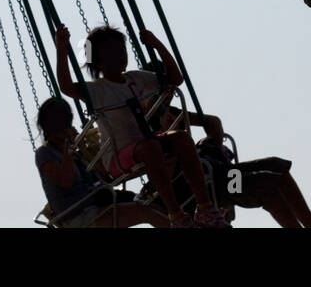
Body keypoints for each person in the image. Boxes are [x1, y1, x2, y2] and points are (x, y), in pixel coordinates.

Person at [54, 24, 228, 228]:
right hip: (119, 156)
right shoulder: (97, 91)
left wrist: (156, 44)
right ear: (98, 61)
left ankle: (205, 206)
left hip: (146, 145)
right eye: (112, 52)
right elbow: (66, 86)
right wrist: (61, 49)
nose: (120, 55)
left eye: (122, 50)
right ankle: (175, 213)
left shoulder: (136, 78)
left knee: (180, 137)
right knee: (150, 146)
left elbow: (175, 79)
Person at [35, 97, 171, 227]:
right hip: (79, 217)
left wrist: (82, 148)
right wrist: (68, 149)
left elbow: (104, 177)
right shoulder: (45, 153)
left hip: (96, 203)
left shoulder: (73, 153)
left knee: (153, 205)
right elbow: (66, 181)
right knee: (146, 211)